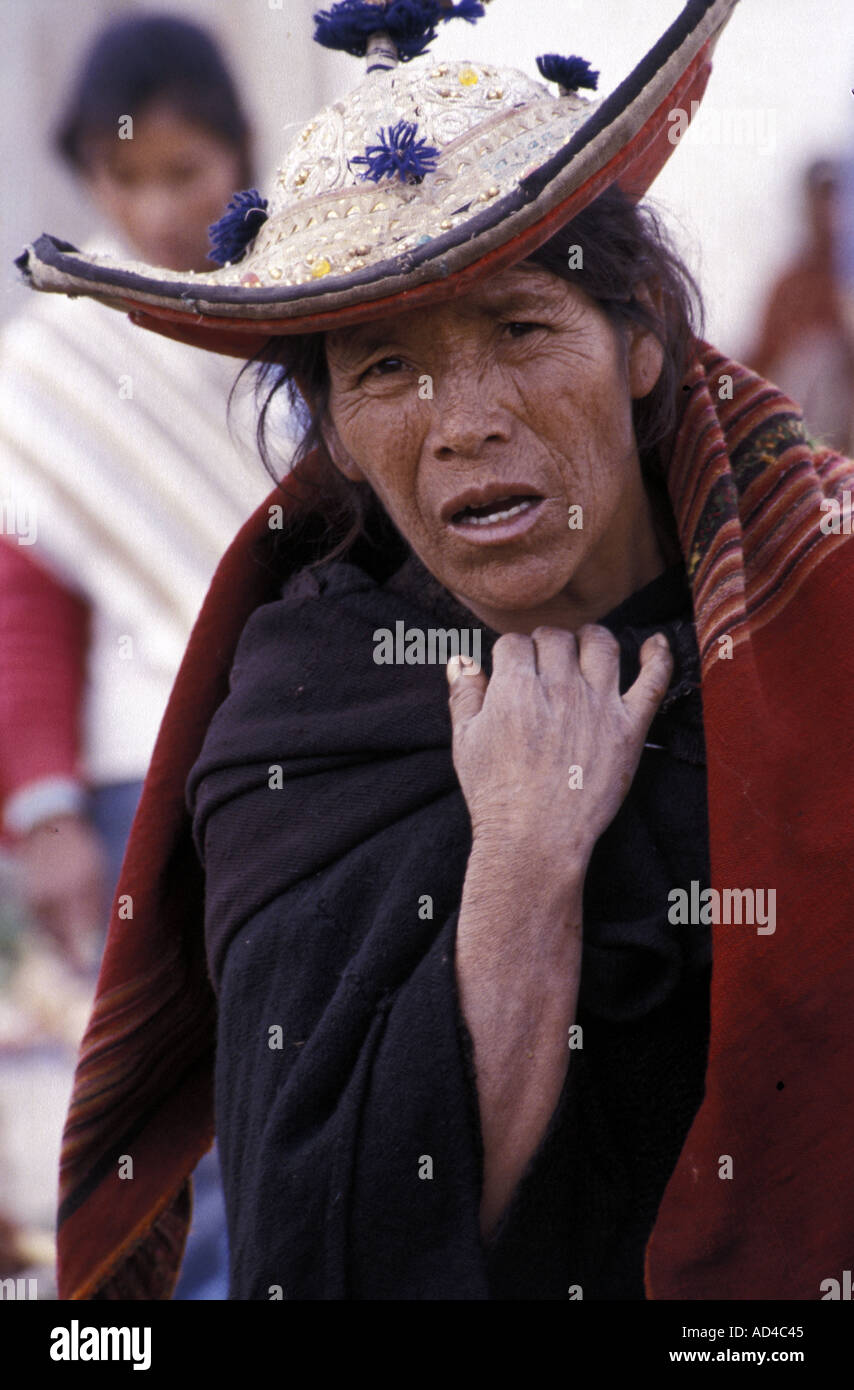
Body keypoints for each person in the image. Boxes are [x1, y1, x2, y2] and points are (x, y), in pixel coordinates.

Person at [18, 0, 854, 1300]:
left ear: (638, 341)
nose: (461, 423)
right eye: (386, 367)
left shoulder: (812, 612)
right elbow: (322, 1244)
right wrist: (523, 865)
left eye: (522, 330)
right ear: (336, 436)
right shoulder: (302, 716)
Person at [1, 12, 276, 1300]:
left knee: (291, 1074)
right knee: (166, 1094)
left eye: (189, 171)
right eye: (128, 180)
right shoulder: (59, 364)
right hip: (138, 786)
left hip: (306, 749)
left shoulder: (302, 309)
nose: (160, 208)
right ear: (90, 184)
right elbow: (27, 605)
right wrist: (44, 807)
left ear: (242, 153)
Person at [746, 159, 854, 455]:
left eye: (833, 199)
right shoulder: (787, 287)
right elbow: (759, 358)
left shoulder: (844, 285)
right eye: (820, 199)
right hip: (798, 450)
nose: (828, 212)